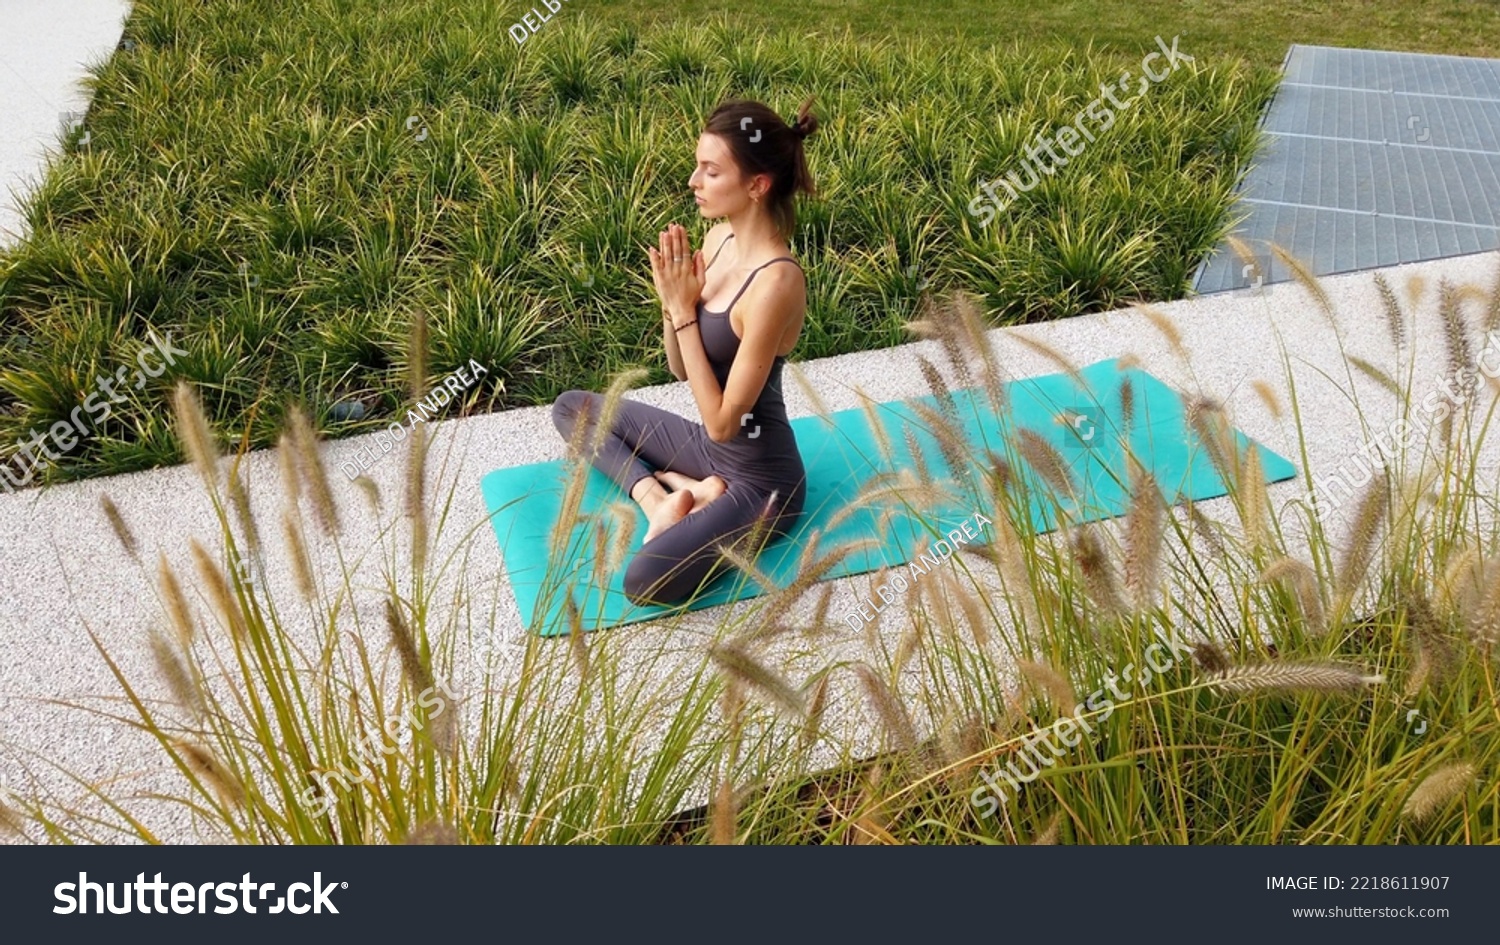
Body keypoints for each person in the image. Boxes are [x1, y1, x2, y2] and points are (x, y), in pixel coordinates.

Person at [552, 97, 819, 606]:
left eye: (710, 171)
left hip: (761, 482)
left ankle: (691, 492)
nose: (693, 181)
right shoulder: (718, 240)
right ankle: (665, 497)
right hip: (707, 451)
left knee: (643, 583)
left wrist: (682, 312)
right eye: (697, 166)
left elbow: (723, 422)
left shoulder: (776, 282)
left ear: (756, 186)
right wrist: (672, 303)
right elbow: (680, 368)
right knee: (573, 407)